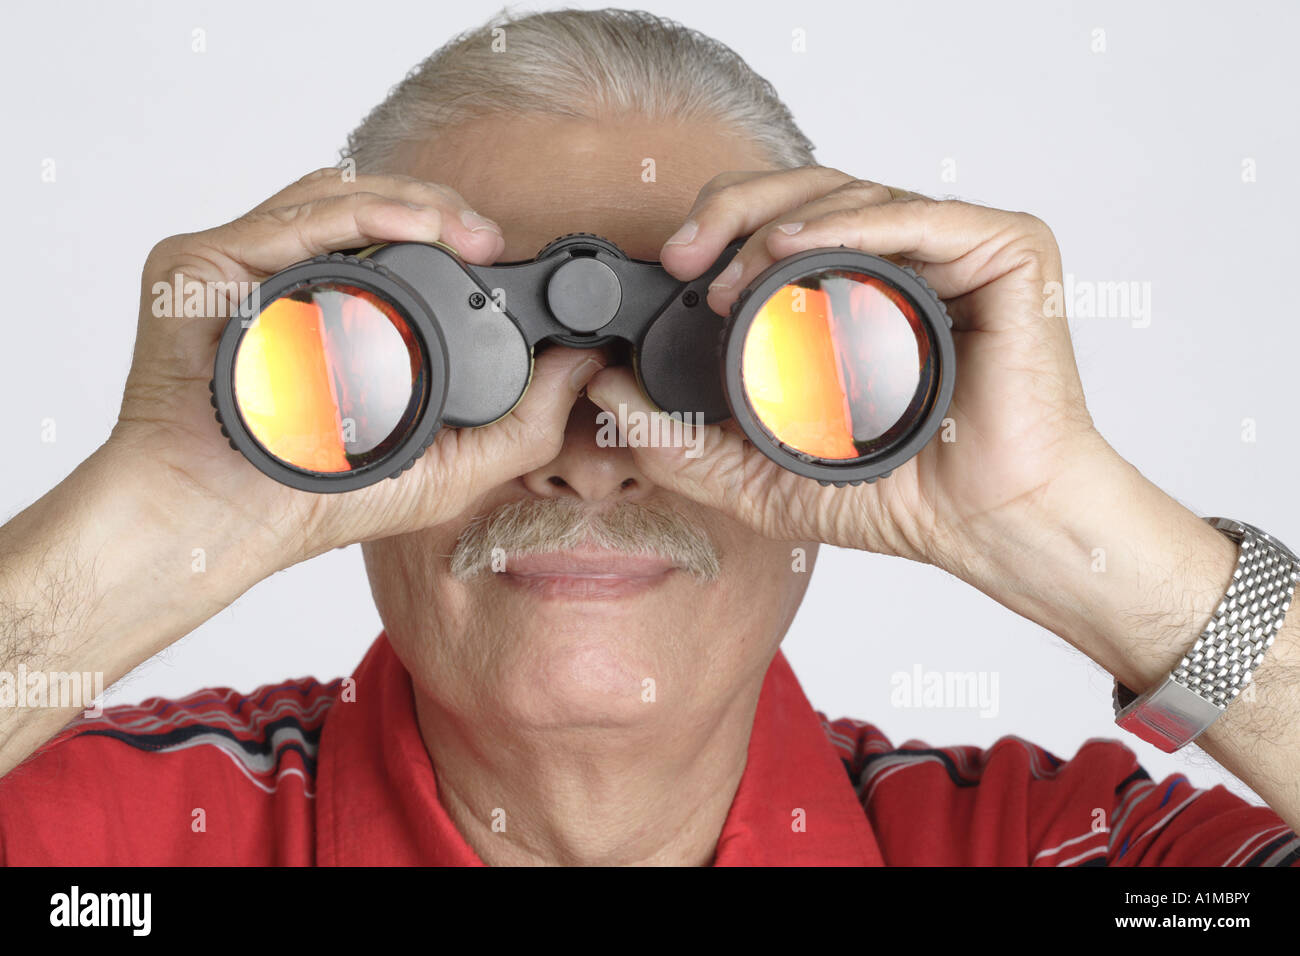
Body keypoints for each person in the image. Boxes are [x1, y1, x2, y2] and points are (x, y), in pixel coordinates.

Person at [0, 8, 1296, 867]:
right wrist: (157, 517)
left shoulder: (1062, 853)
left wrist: (1062, 523)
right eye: (464, 367)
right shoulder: (99, 848)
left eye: (714, 372)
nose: (586, 450)